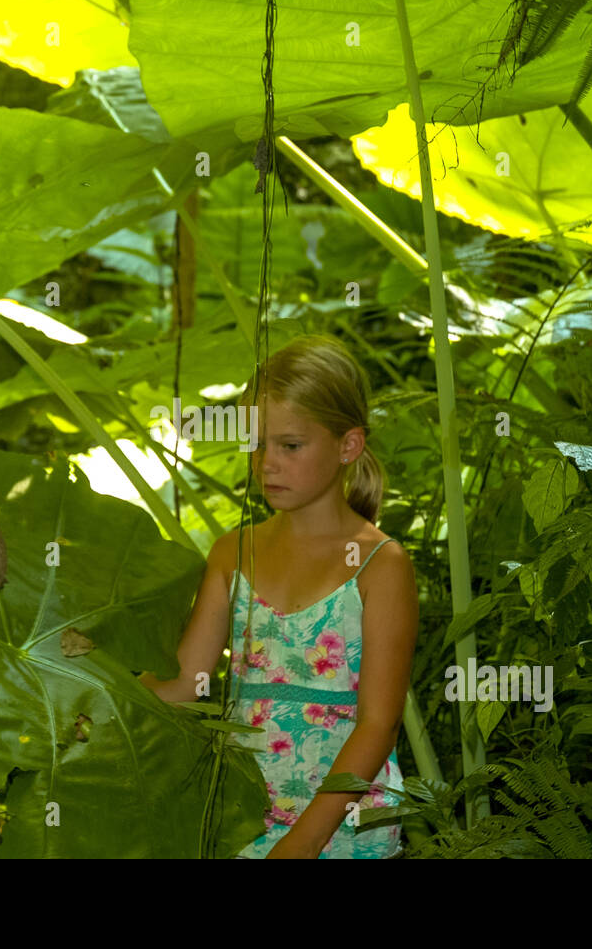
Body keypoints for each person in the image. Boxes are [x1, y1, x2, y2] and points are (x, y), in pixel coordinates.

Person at [139, 333, 419, 858]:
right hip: (243, 813)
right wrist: (101, 693)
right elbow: (187, 682)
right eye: (257, 444)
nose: (267, 463)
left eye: (289, 446)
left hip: (344, 827)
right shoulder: (232, 552)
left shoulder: (382, 566)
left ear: (348, 445)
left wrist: (302, 844)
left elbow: (378, 723)